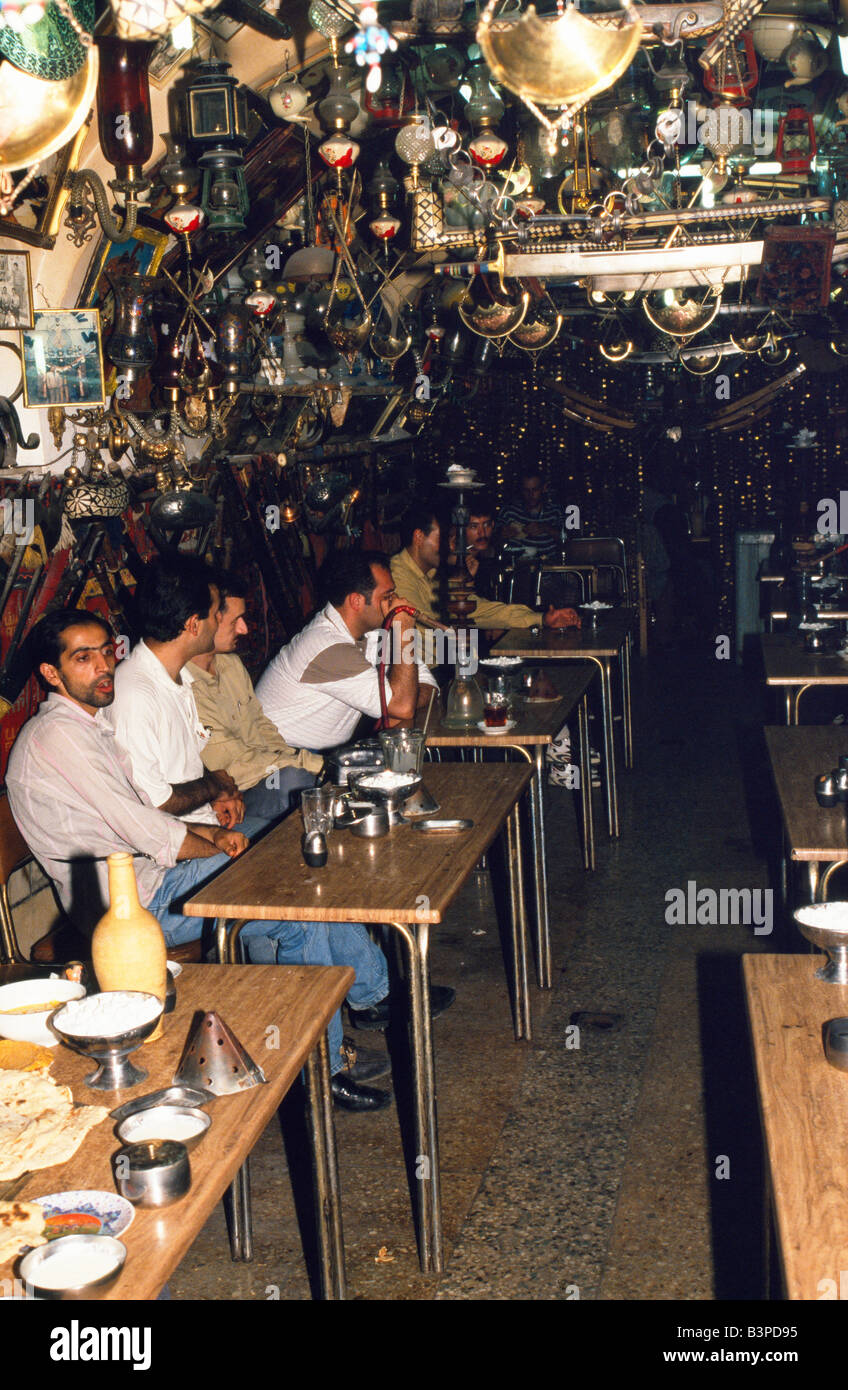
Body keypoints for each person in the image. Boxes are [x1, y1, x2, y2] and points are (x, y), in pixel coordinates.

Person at [6, 606, 399, 1110]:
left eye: (106, 651)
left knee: (290, 843)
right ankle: (323, 1063)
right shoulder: (59, 736)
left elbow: (141, 815)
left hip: (153, 875)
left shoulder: (89, 724)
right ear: (51, 674)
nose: (103, 666)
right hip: (130, 911)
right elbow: (140, 825)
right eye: (83, 658)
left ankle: (365, 996)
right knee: (287, 893)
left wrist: (210, 826)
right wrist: (211, 843)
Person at [256, 548, 439, 752]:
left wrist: (409, 698)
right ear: (356, 601)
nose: (396, 602)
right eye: (388, 595)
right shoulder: (328, 646)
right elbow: (403, 707)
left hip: (318, 754)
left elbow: (427, 683)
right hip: (283, 759)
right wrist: (404, 630)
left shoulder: (373, 633)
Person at [187, 572, 322, 824]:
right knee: (295, 781)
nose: (244, 629)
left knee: (304, 773)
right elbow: (233, 766)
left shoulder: (230, 664)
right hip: (234, 794)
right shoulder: (184, 685)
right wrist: (306, 764)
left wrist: (293, 758)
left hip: (265, 773)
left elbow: (261, 724)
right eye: (235, 620)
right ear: (208, 621)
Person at [390, 500, 580, 631]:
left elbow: (479, 610)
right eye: (444, 538)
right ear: (418, 537)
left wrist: (541, 619)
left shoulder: (431, 574)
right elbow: (424, 634)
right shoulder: (398, 576)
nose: (450, 545)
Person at [498, 467, 566, 560]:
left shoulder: (555, 511)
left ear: (544, 488)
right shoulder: (509, 512)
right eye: (526, 490)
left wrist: (546, 528)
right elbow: (493, 543)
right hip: (517, 569)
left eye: (535, 490)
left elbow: (567, 541)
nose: (531, 495)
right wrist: (503, 534)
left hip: (549, 570)